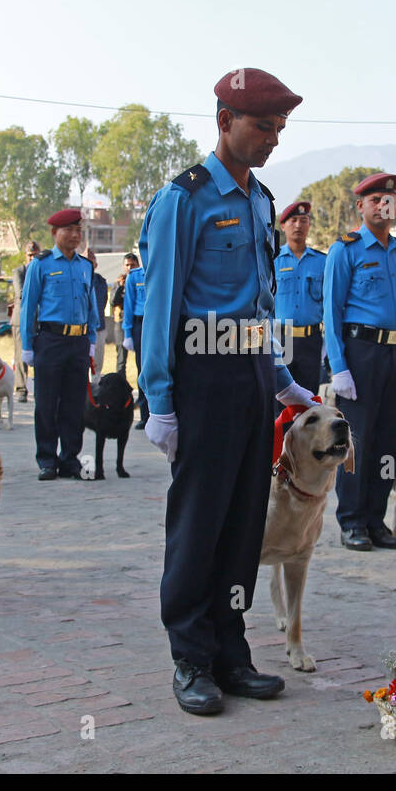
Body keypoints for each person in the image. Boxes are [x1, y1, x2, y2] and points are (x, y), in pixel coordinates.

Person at [138, 67, 314, 716]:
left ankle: (230, 651)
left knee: (243, 521)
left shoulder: (262, 200)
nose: (271, 138)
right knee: (199, 521)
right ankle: (190, 656)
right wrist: (159, 400)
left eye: (278, 128)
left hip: (249, 377)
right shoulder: (183, 199)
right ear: (223, 122)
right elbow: (160, 305)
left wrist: (282, 378)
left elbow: (262, 305)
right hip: (202, 377)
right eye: (260, 125)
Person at [324, 172, 396, 551]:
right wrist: (339, 367)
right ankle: (352, 520)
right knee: (357, 442)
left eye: (389, 199)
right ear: (360, 206)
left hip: (395, 353)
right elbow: (332, 311)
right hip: (360, 354)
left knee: (388, 442)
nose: (383, 205)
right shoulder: (345, 250)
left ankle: (377, 519)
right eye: (375, 199)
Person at [18, 208, 100, 480]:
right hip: (50, 340)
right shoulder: (40, 265)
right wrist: (27, 346)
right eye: (70, 230)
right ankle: (47, 459)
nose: (75, 235)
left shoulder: (85, 266)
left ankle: (70, 458)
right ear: (55, 233)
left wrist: (91, 341)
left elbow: (91, 307)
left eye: (79, 231)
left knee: (74, 404)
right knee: (47, 403)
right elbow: (29, 306)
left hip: (78, 341)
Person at [273, 200, 326, 396]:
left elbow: (329, 305)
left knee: (308, 400)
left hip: (310, 340)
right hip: (280, 339)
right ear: (283, 225)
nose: (298, 226)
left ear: (309, 225)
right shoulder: (273, 261)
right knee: (278, 402)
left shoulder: (322, 262)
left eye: (303, 220)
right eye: (293, 220)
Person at [11, 241, 42, 400]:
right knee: (21, 354)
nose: (32, 258)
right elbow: (22, 293)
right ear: (25, 256)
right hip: (21, 319)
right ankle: (21, 389)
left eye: (35, 255)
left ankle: (39, 389)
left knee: (40, 354)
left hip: (40, 320)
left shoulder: (42, 272)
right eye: (30, 255)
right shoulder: (19, 272)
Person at [121, 256, 149, 427]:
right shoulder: (135, 276)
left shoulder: (164, 269)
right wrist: (127, 333)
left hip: (159, 323)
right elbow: (129, 304)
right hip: (140, 325)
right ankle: (145, 416)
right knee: (142, 370)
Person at [111, 253, 137, 375]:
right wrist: (121, 287)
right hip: (121, 322)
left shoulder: (141, 280)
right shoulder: (118, 282)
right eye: (127, 265)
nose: (130, 268)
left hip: (137, 321)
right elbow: (112, 302)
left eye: (132, 265)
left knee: (141, 358)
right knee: (121, 358)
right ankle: (121, 390)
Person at [88, 249, 108, 380]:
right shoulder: (77, 279)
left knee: (97, 364)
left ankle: (94, 394)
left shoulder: (101, 282)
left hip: (99, 327)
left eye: (92, 260)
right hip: (82, 330)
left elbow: (104, 302)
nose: (90, 263)